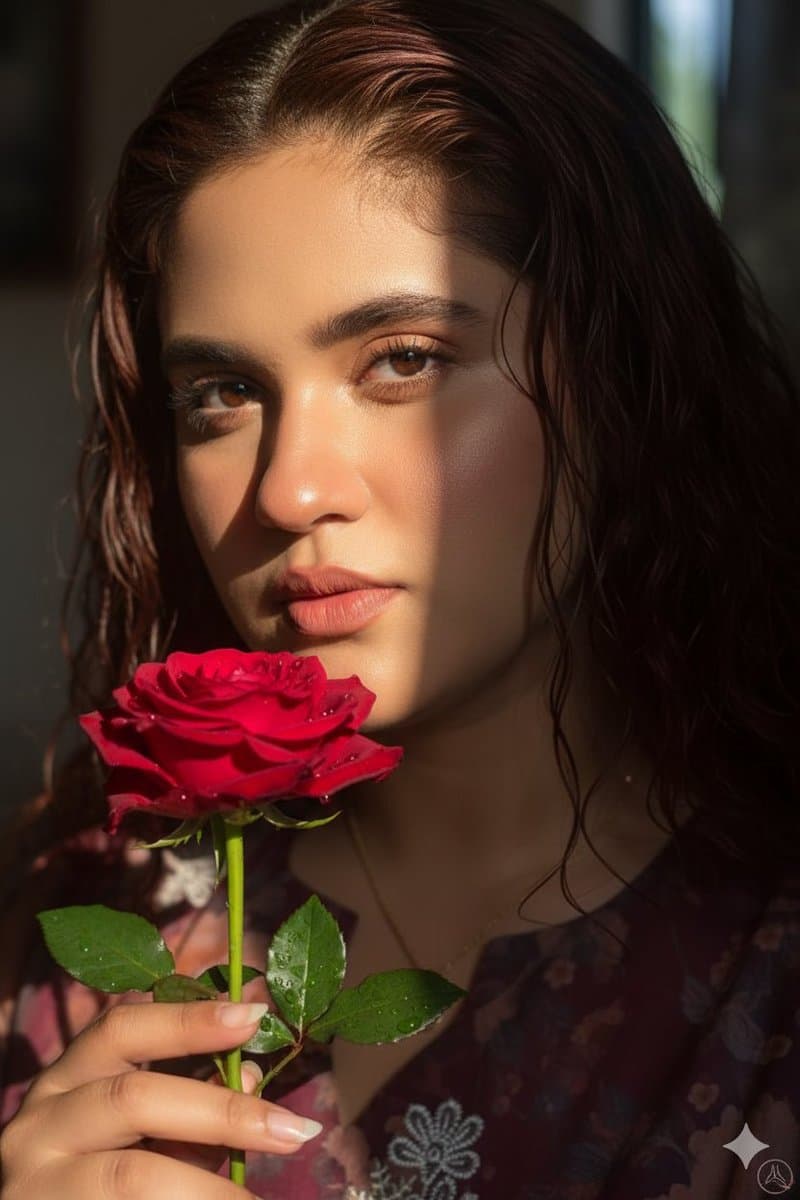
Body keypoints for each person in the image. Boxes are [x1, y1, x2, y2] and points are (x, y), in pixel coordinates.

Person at [1, 0, 798, 1196]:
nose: (288, 488)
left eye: (404, 360)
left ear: (618, 370)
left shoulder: (766, 960)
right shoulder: (101, 909)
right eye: (221, 391)